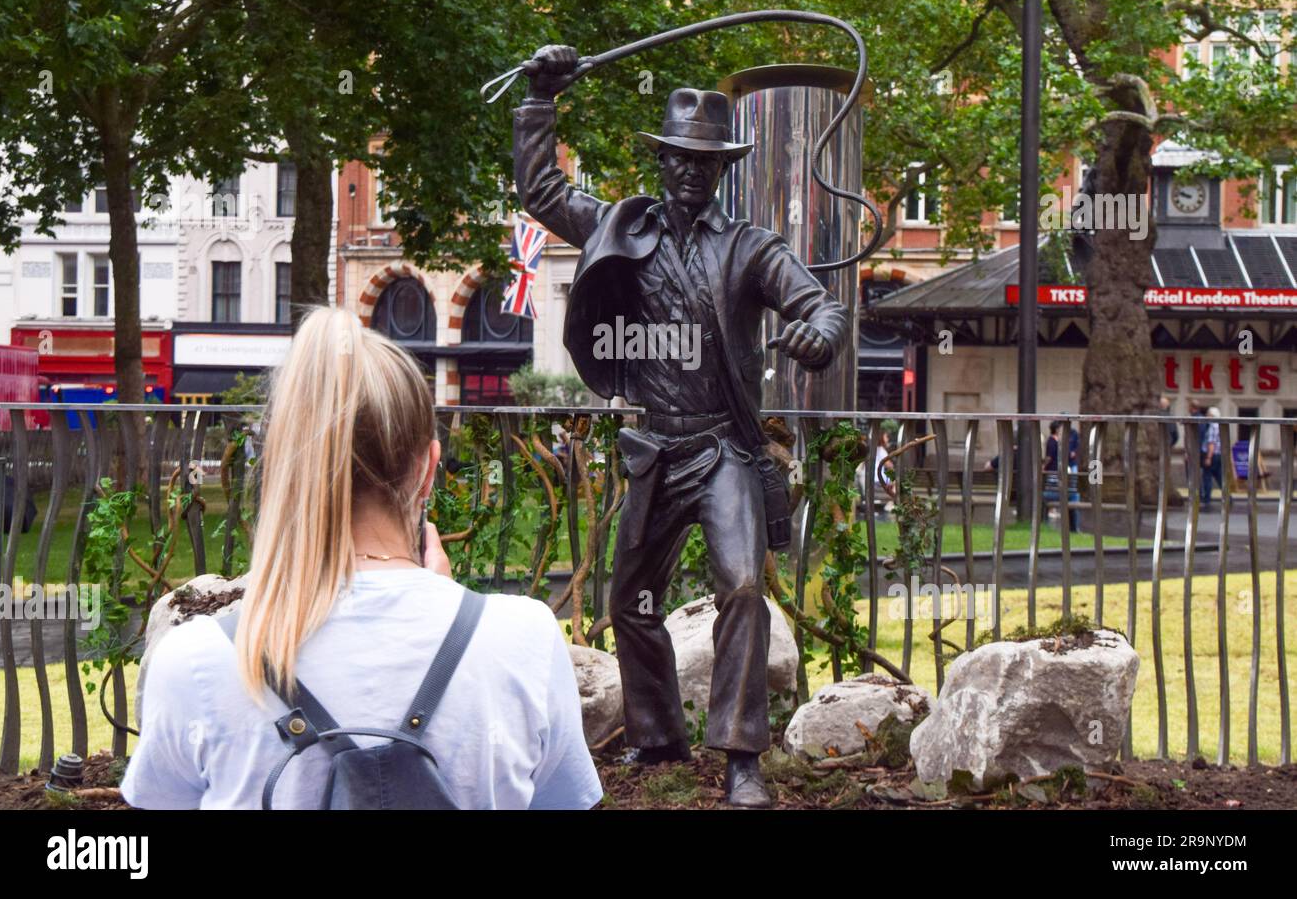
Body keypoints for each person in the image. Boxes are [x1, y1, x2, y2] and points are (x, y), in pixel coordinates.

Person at [514, 46, 848, 807]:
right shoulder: (620, 227)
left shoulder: (749, 247)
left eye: (706, 162)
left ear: (723, 168)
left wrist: (821, 333)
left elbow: (819, 304)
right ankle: (657, 733)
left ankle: (740, 757)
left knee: (738, 586)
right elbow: (540, 188)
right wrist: (539, 99)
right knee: (628, 596)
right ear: (662, 162)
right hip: (656, 449)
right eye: (680, 159)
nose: (691, 173)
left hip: (723, 447)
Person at [122, 307, 602, 810]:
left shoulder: (197, 659)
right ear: (429, 467)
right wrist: (448, 611)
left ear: (282, 466)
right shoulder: (521, 638)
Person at [1200, 405, 1223, 509]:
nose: (1206, 416)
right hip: (1218, 454)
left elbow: (1211, 443)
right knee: (1219, 477)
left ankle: (1207, 498)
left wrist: (1208, 457)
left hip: (1212, 454)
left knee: (1207, 476)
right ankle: (1228, 496)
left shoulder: (1212, 426)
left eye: (1208, 414)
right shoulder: (1220, 425)